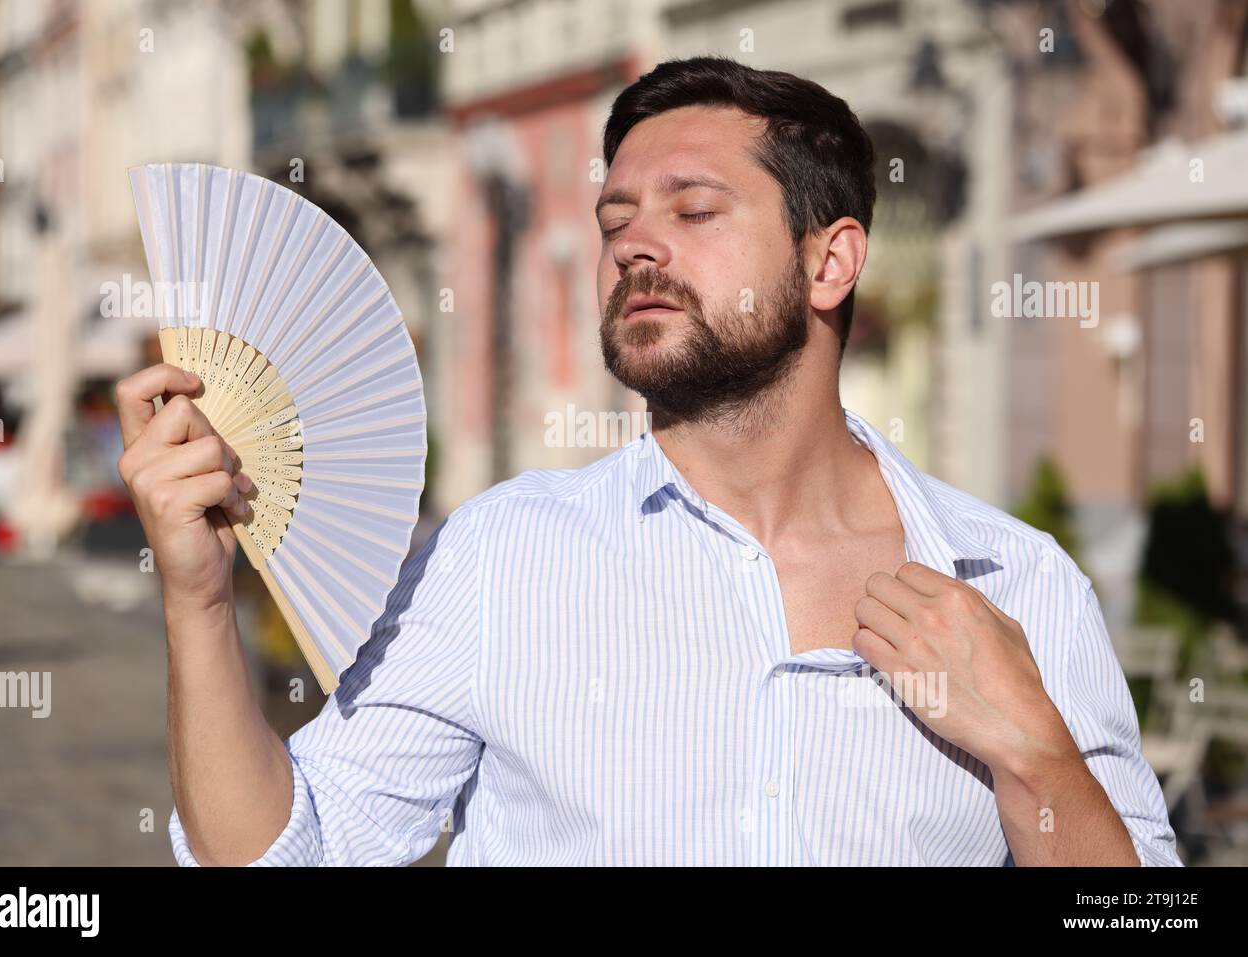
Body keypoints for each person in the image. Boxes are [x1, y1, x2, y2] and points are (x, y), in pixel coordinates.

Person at [116, 56, 1180, 866]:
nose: (635, 245)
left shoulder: (1016, 581)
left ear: (830, 259)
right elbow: (292, 852)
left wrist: (1035, 754)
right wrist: (199, 605)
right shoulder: (501, 557)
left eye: (694, 210)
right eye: (614, 217)